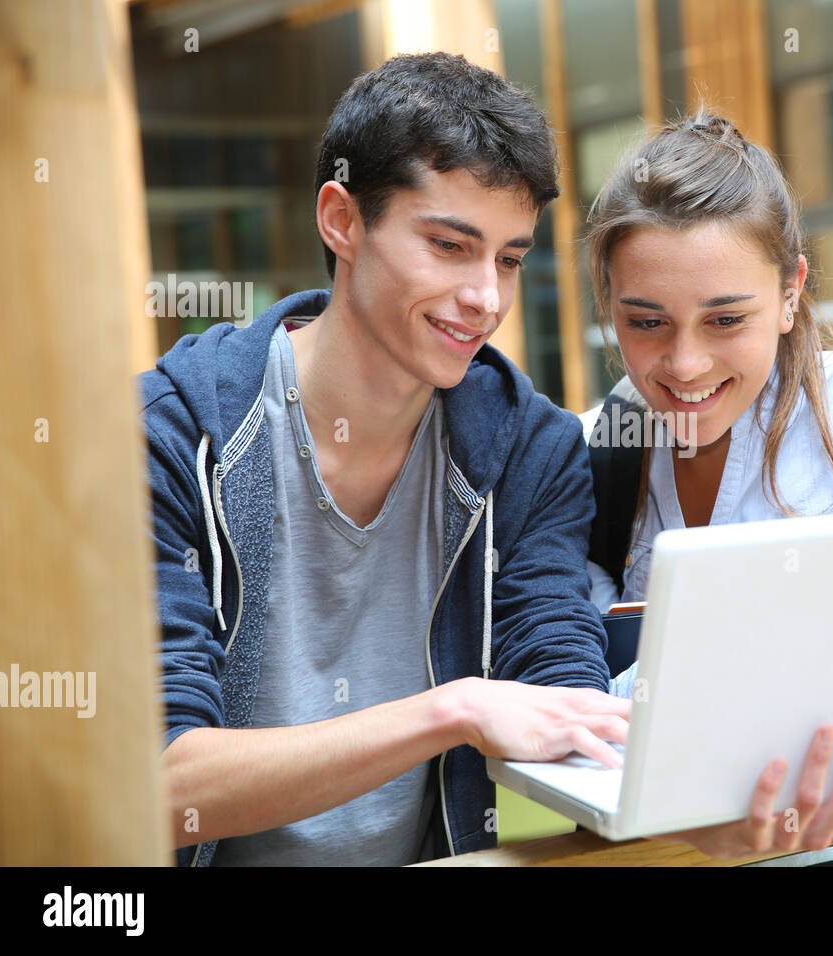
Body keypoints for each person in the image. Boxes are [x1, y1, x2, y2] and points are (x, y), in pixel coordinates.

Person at [143, 52, 632, 866]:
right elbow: (158, 786)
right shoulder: (170, 439)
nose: (486, 298)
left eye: (510, 259)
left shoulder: (529, 450)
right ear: (341, 219)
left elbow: (558, 676)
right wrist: (452, 710)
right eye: (449, 245)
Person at [585, 110, 833, 859]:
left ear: (792, 290)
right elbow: (565, 702)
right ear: (609, 306)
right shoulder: (593, 448)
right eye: (647, 323)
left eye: (725, 320)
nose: (685, 365)